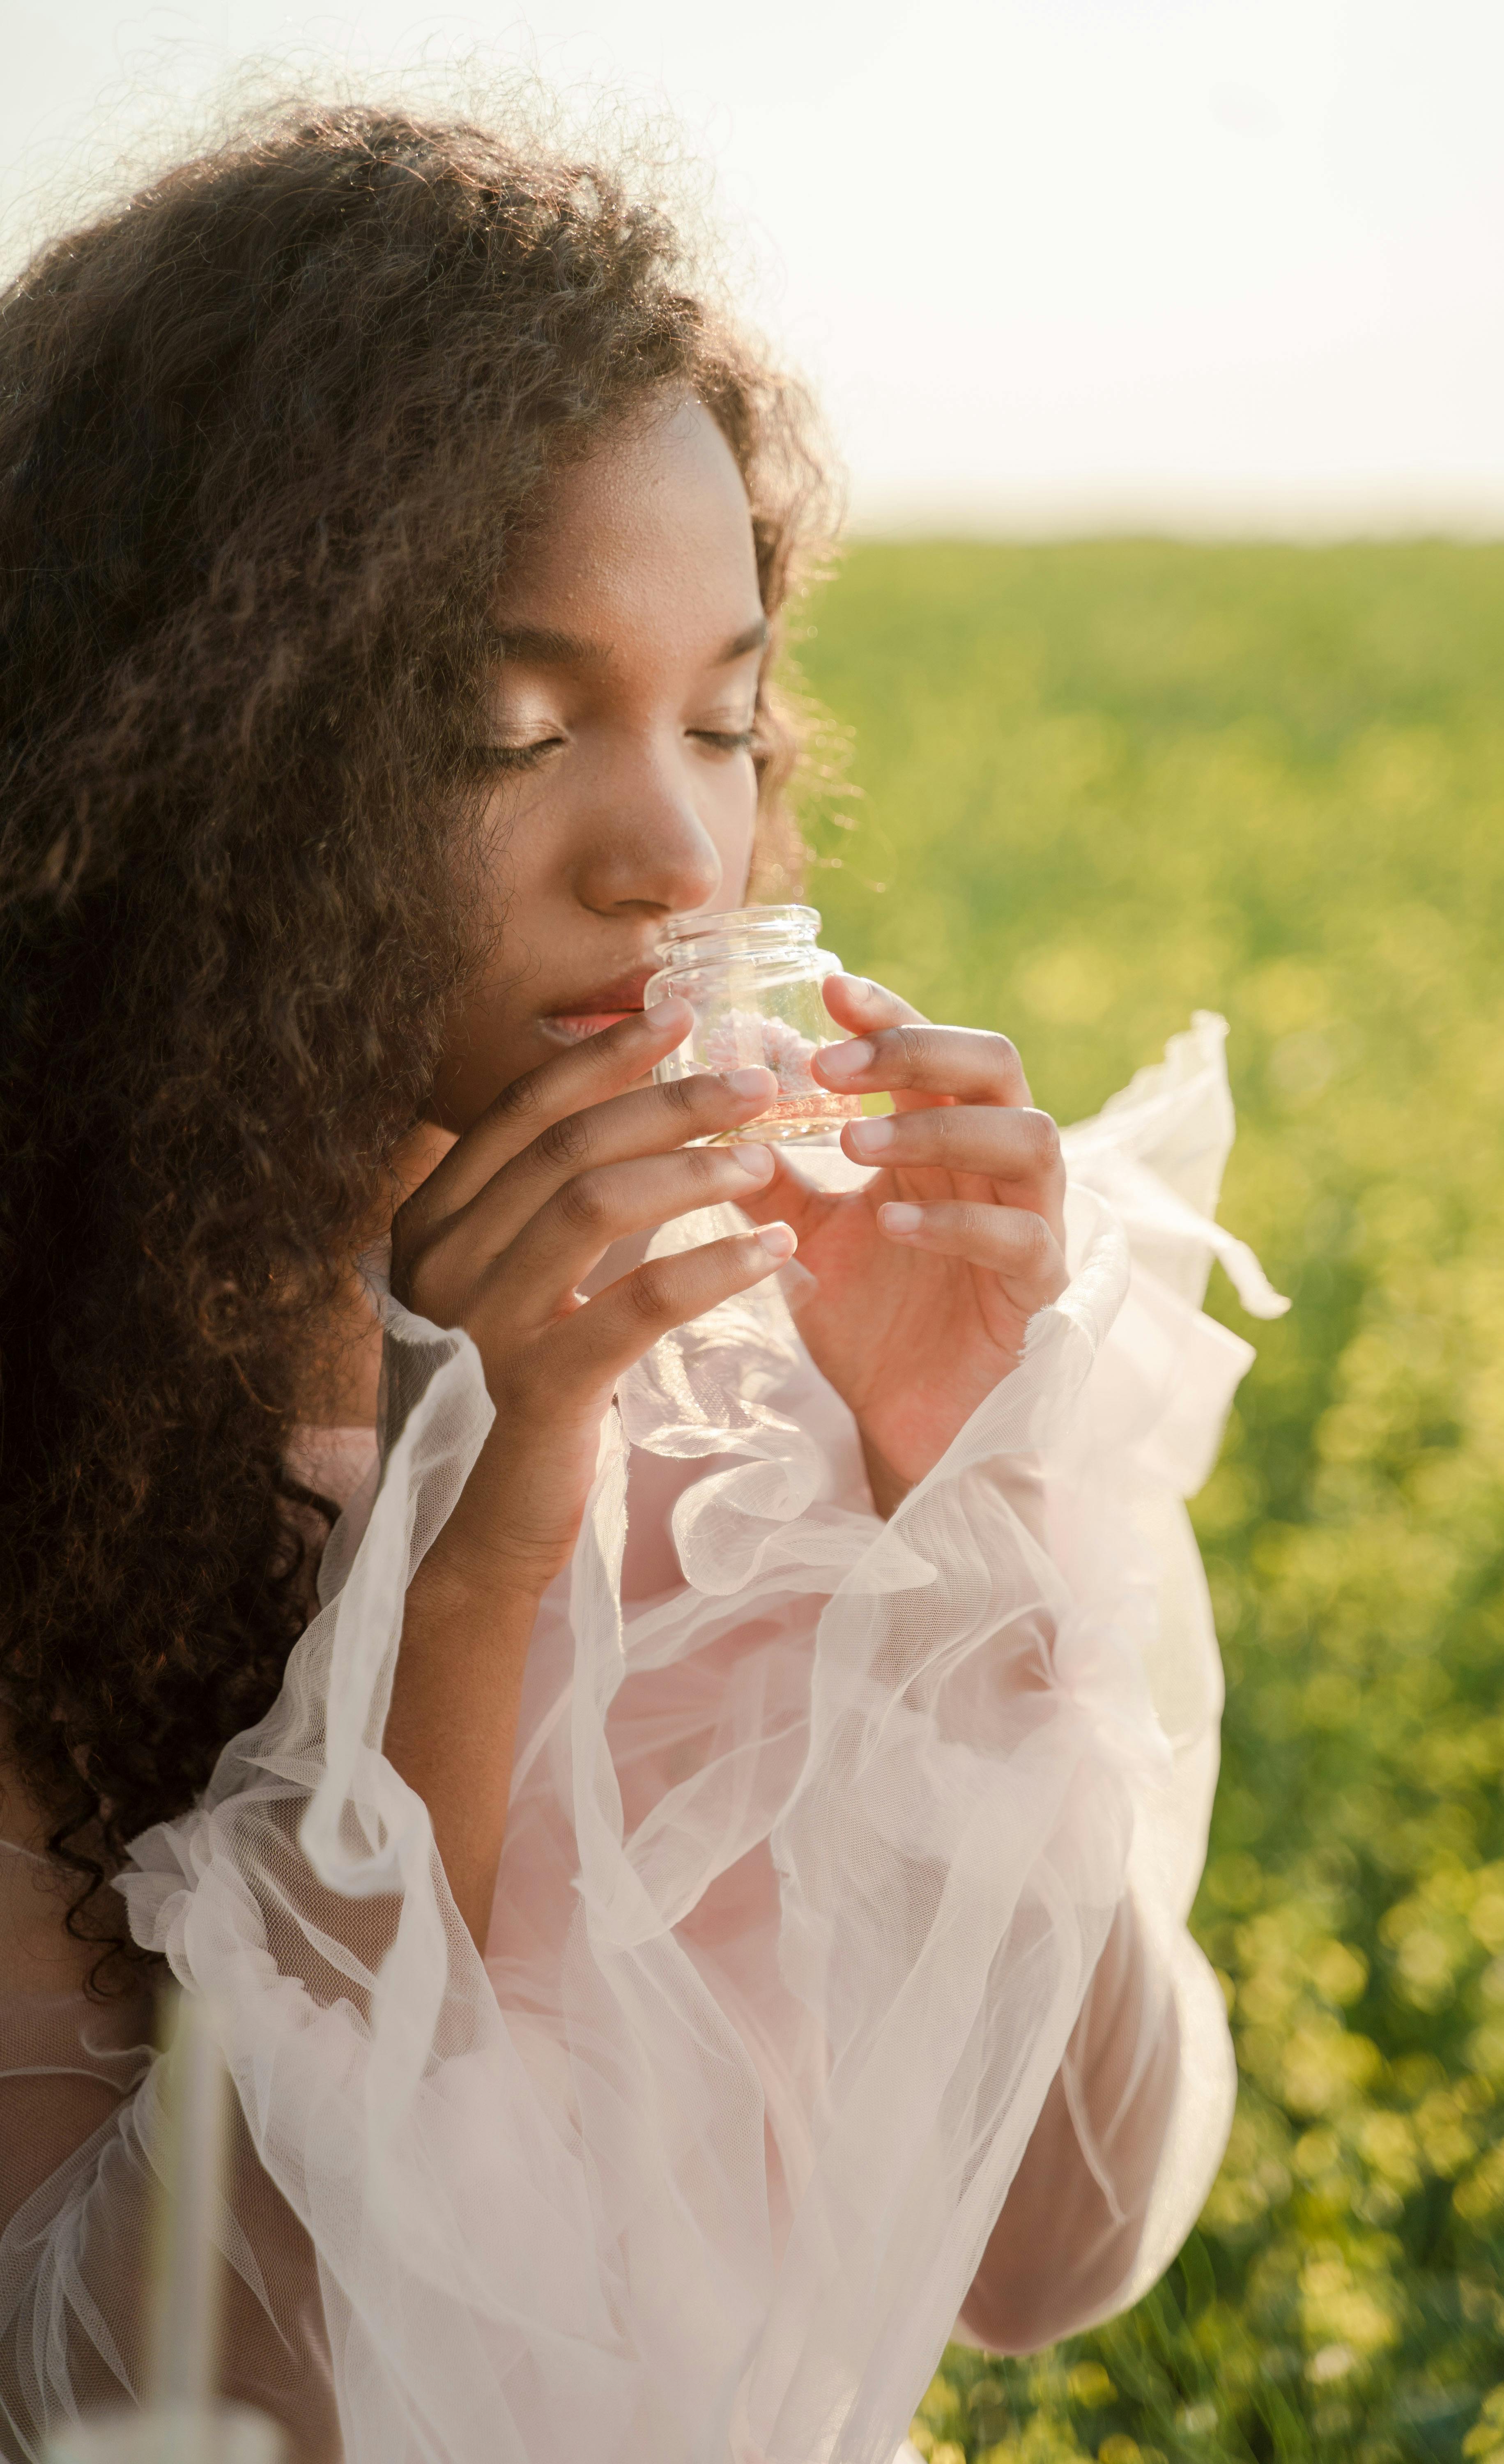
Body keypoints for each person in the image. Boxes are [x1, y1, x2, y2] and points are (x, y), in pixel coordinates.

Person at [0, 101, 1284, 2464]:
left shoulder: (764, 1401)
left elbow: (1052, 2247)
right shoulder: (42, 1477)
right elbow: (164, 2420)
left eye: (724, 715)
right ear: (175, 753)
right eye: (506, 725)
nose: (681, 849)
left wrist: (951, 1487)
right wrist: (457, 1565)